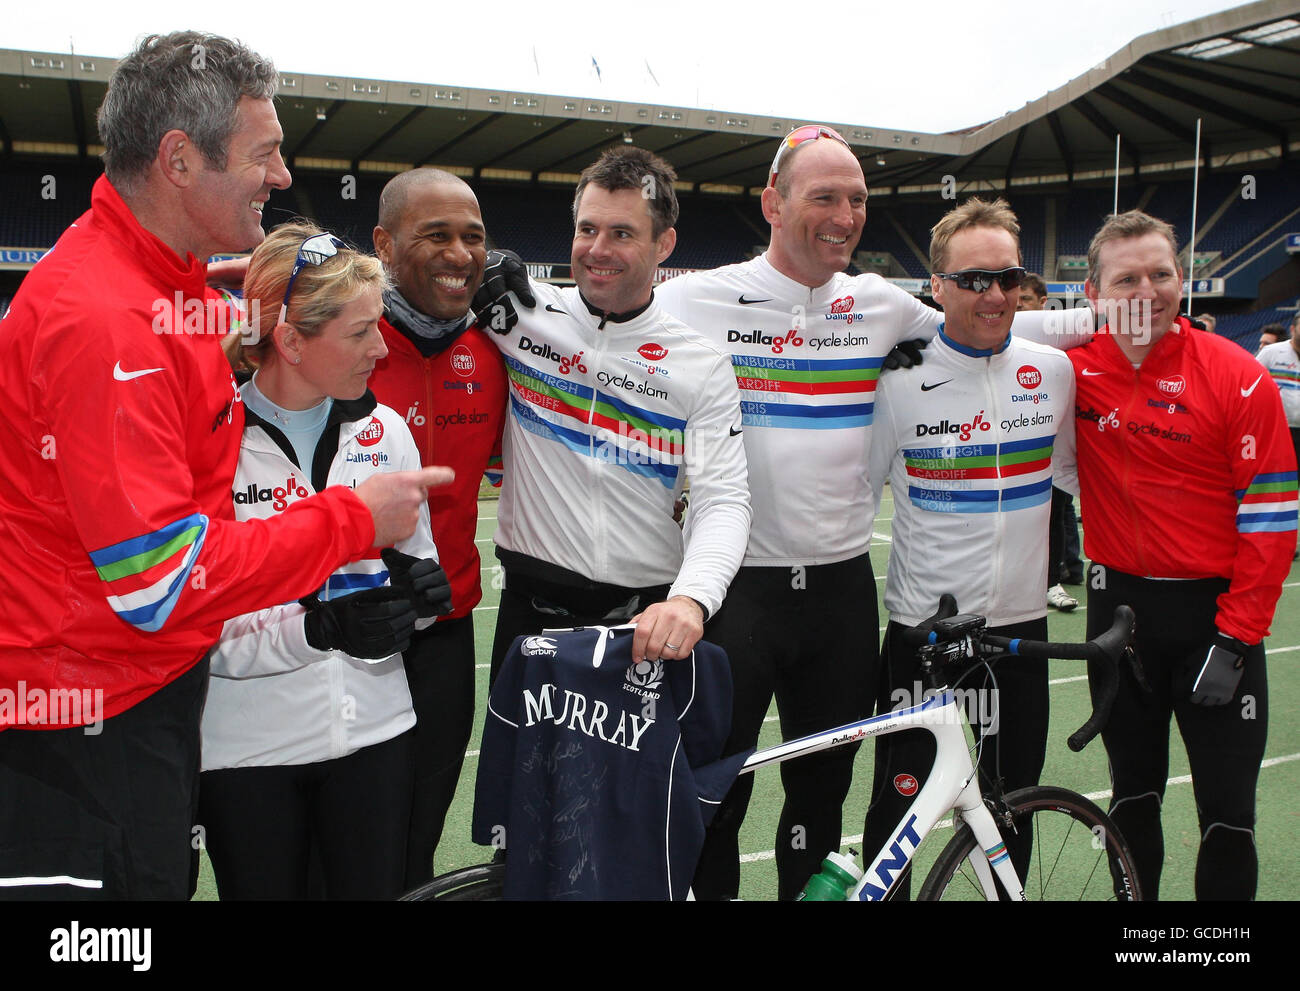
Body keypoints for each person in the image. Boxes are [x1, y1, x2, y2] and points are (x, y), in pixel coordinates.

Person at [0, 31, 446, 900]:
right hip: (87, 717)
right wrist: (356, 519)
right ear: (178, 159)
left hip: (128, 696)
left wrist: (245, 315)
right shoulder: (109, 321)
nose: (282, 177)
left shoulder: (165, 292)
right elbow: (157, 580)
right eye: (264, 154)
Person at [654, 124, 944, 900]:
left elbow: (993, 329)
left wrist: (1111, 320)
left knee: (821, 798)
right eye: (825, 196)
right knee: (716, 792)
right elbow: (595, 315)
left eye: (857, 199)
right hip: (735, 594)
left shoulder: (883, 305)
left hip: (842, 598)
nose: (847, 214)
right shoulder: (693, 296)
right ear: (773, 204)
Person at [199, 222, 451, 899]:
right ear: (290, 340)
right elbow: (199, 624)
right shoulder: (210, 443)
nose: (381, 346)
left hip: (378, 734)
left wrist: (419, 600)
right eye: (360, 331)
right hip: (246, 751)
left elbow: (412, 580)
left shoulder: (387, 430)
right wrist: (319, 629)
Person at [1059, 210, 1297, 900]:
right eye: (1127, 277)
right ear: (1096, 293)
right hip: (1119, 612)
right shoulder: (1071, 370)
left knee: (1228, 817)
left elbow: (1273, 516)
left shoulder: (1238, 374)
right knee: (1132, 801)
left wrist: (1238, 634)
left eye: (1161, 274)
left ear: (1181, 280)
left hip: (1215, 619)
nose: (1147, 290)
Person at [861, 199, 1074, 896]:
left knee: (1012, 809)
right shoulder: (895, 383)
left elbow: (1076, 475)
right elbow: (857, 497)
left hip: (1020, 639)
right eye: (974, 279)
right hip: (925, 640)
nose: (995, 295)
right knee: (900, 812)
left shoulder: (1054, 372)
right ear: (938, 286)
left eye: (1009, 279)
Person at [485, 145, 751, 683]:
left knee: (647, 772)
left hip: (646, 623)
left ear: (664, 244)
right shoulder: (516, 308)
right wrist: (479, 260)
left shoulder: (702, 364)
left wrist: (693, 600)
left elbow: (723, 498)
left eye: (622, 234)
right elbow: (400, 279)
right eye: (587, 229)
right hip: (529, 615)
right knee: (519, 771)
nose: (597, 249)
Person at [368, 169, 517, 888]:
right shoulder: (342, 340)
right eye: (437, 235)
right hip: (343, 635)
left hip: (447, 635)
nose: (461, 254)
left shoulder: (497, 352)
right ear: (384, 244)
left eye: (474, 238)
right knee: (340, 840)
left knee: (418, 839)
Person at [1017, 272, 1080, 610]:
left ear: (1044, 303)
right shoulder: (1000, 336)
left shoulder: (1065, 340)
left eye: (1025, 299)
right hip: (1015, 440)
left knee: (1056, 514)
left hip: (1052, 446)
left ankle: (1053, 580)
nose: (1018, 305)